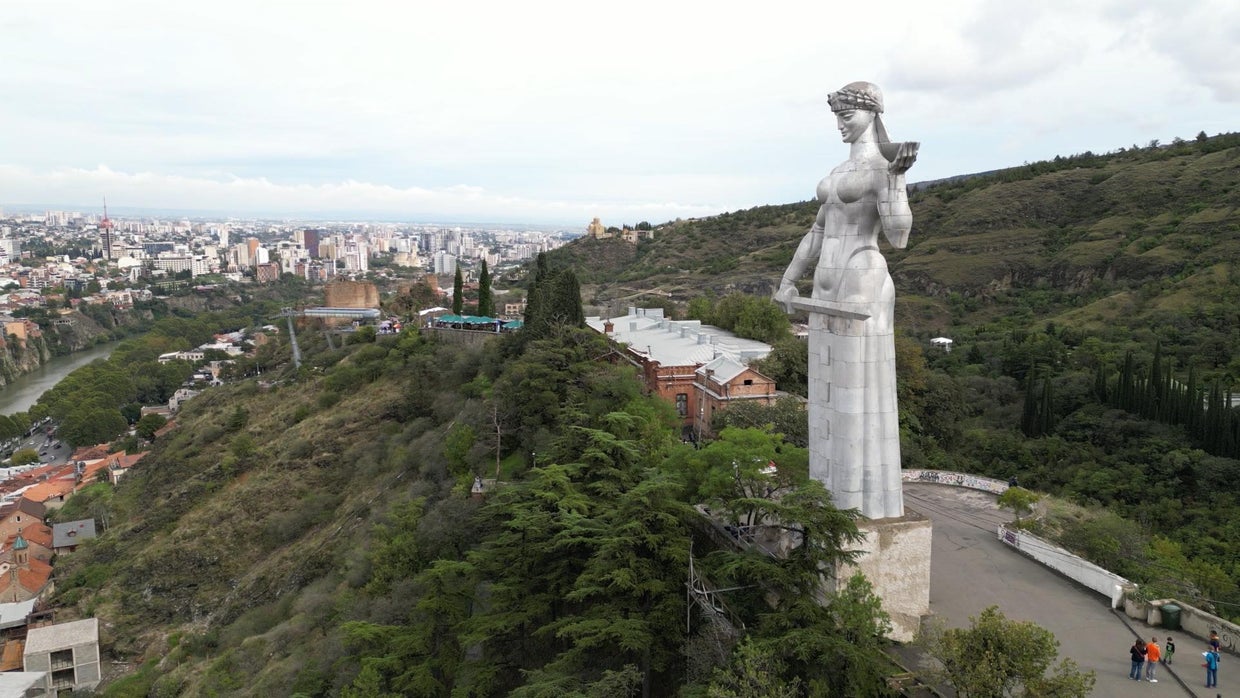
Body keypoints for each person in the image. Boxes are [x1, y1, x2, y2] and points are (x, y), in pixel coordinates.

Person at [774, 81, 919, 520]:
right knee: (823, 392)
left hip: (861, 272)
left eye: (848, 114)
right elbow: (816, 232)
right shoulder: (837, 173)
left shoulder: (884, 170)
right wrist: (788, 279)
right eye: (836, 115)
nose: (840, 123)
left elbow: (899, 235)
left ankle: (859, 507)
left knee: (858, 398)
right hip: (824, 284)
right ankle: (828, 499)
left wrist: (895, 181)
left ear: (872, 113)